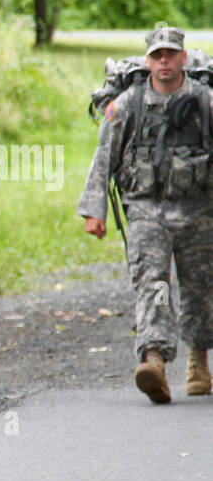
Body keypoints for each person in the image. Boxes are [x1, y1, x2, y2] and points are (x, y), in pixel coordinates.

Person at [79, 24, 213, 403]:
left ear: (184, 58)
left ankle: (199, 360)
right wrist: (94, 210)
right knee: (153, 282)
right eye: (157, 55)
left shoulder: (205, 101)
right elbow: (104, 156)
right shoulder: (127, 104)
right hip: (145, 209)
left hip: (198, 211)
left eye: (171, 54)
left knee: (201, 290)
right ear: (148, 60)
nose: (164, 61)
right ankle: (153, 359)